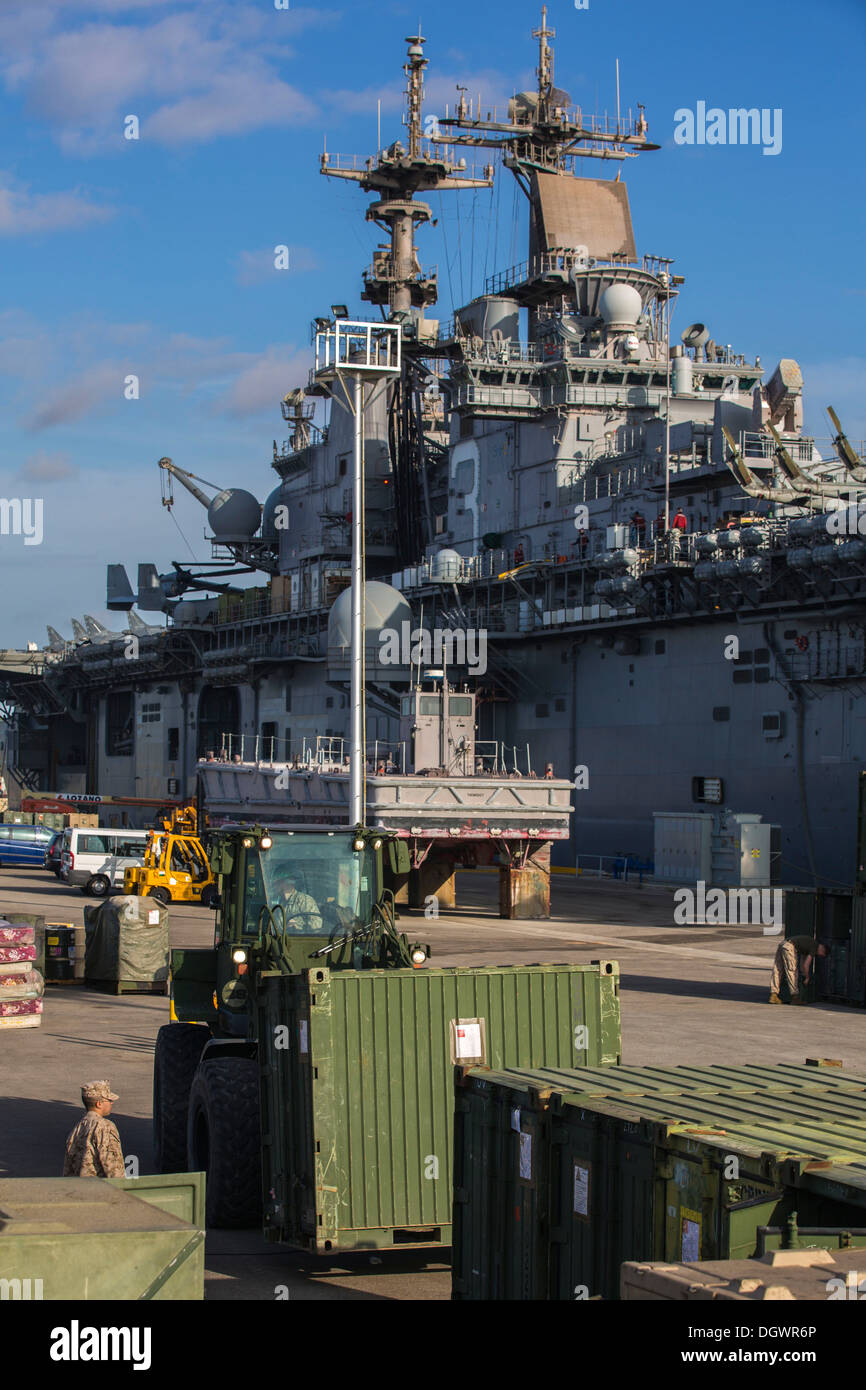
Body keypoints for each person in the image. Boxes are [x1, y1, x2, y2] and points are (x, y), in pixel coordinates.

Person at [63, 1080, 125, 1178]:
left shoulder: (78, 1128)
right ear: (99, 1104)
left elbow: (68, 1168)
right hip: (101, 1188)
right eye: (109, 1100)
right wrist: (122, 1188)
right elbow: (112, 1165)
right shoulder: (105, 1126)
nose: (112, 1103)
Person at [769, 935, 829, 1005]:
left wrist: (803, 972)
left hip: (783, 944)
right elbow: (806, 964)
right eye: (821, 955)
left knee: (777, 970)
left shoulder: (809, 944)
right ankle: (795, 997)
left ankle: (773, 995)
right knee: (792, 971)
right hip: (789, 947)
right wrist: (807, 977)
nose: (819, 955)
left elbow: (803, 962)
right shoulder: (815, 947)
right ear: (823, 950)